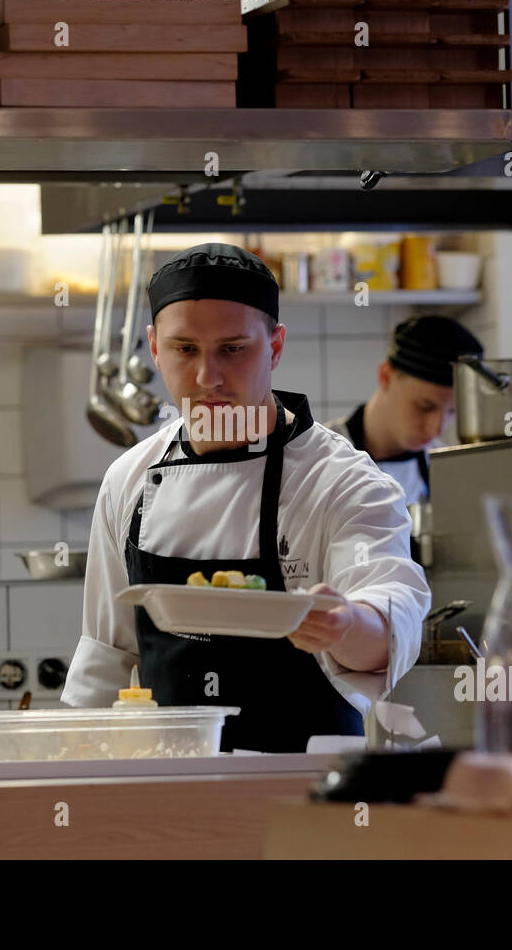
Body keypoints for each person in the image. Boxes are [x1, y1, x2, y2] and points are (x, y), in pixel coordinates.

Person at [61, 243, 431, 753]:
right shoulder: (129, 478)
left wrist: (344, 623)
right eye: (184, 349)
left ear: (275, 346)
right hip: (167, 790)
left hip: (306, 798)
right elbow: (107, 656)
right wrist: (72, 773)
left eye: (233, 349)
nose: (206, 377)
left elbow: (391, 621)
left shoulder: (341, 482)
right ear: (153, 346)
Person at [324, 315, 484, 504]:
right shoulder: (321, 456)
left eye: (452, 412)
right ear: (385, 377)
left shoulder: (447, 470)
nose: (436, 430)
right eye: (425, 407)